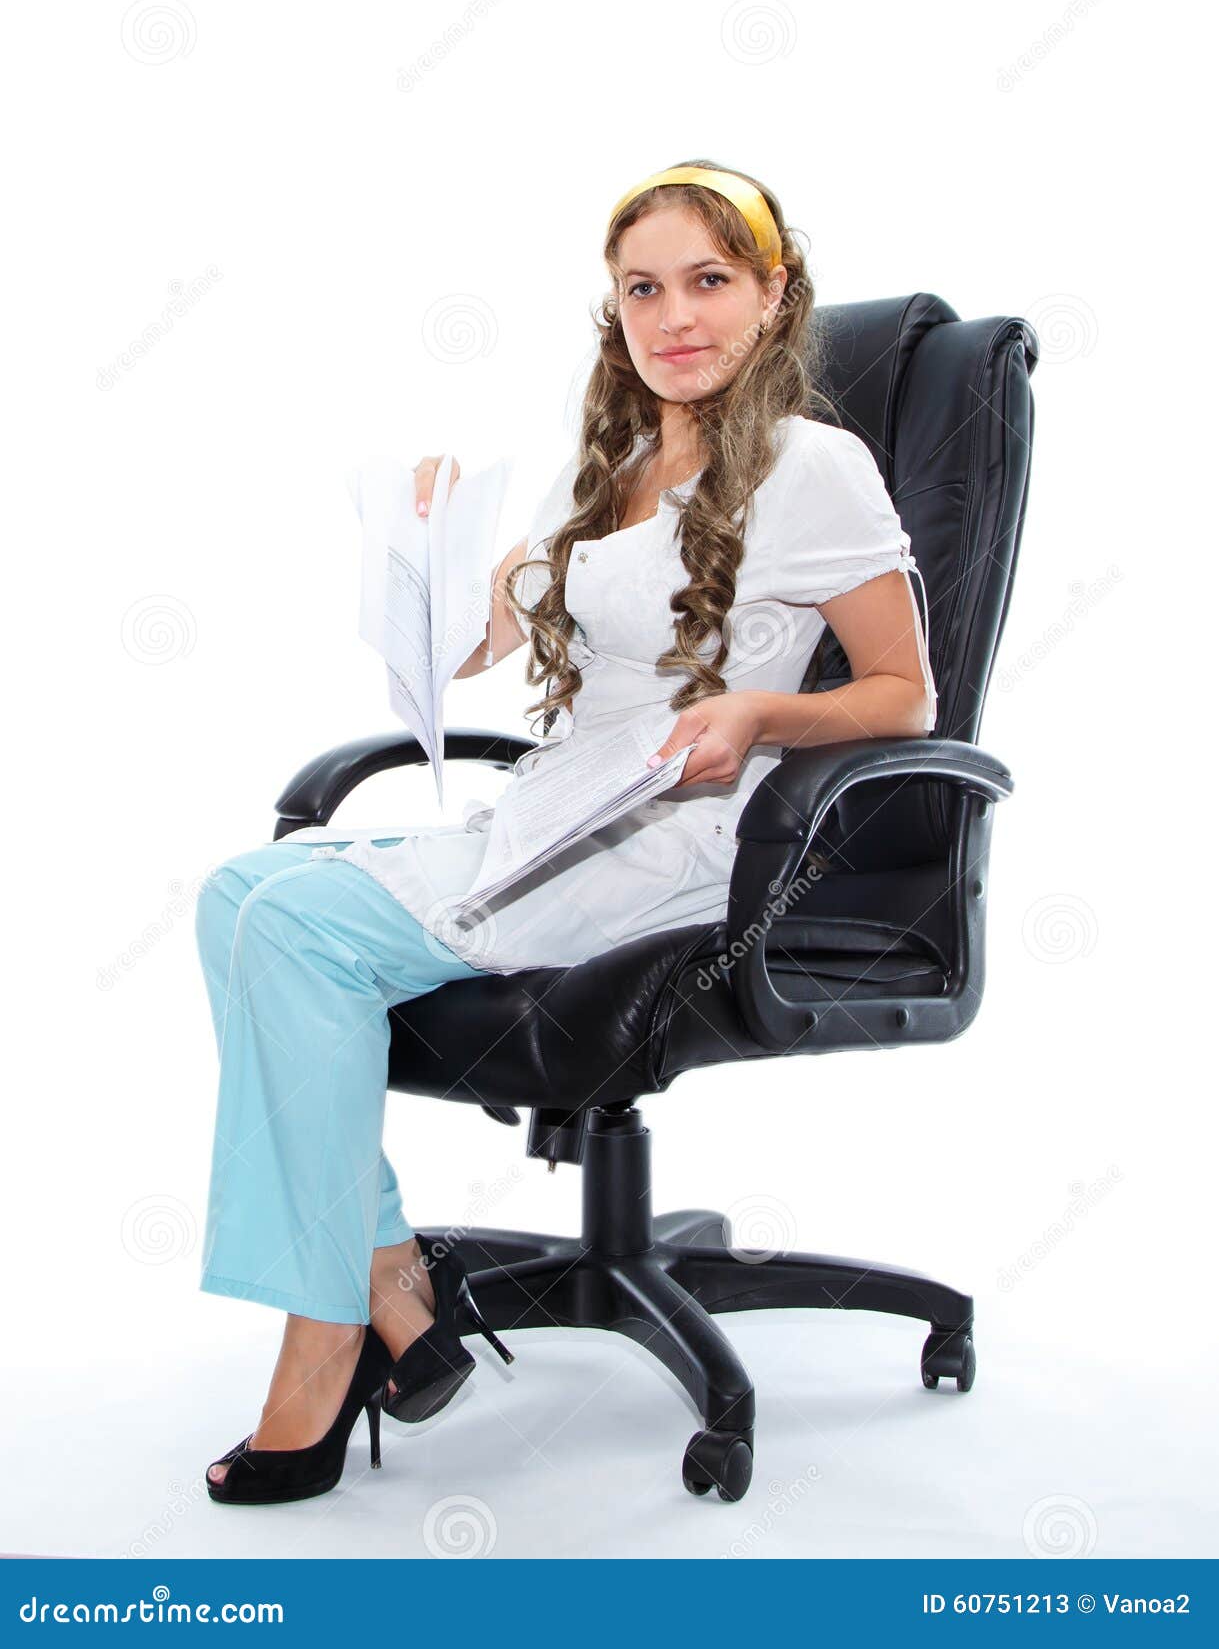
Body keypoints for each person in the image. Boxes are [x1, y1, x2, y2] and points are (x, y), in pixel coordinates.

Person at [196, 157, 938, 1504]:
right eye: (643, 287)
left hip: (677, 839)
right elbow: (497, 637)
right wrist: (429, 562)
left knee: (288, 923)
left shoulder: (817, 467)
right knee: (239, 895)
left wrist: (762, 710)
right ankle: (380, 1280)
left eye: (711, 281)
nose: (676, 316)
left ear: (774, 297)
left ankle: (332, 1334)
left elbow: (905, 694)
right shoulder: (615, 459)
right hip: (554, 811)